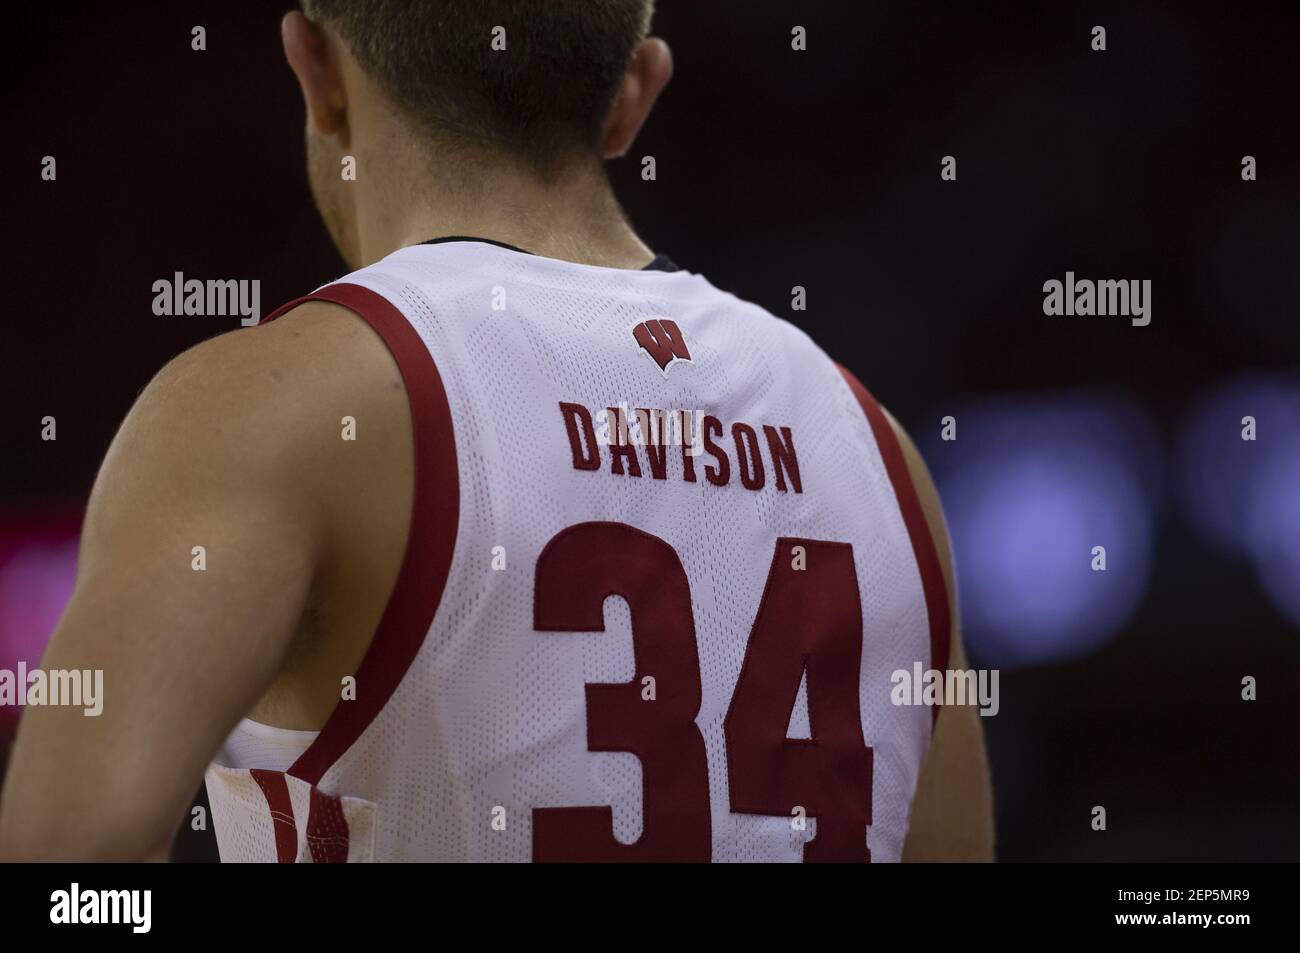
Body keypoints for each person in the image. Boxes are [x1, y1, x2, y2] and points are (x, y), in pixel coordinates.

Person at [0, 1, 991, 862]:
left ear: (317, 73)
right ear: (631, 97)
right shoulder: (875, 446)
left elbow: (74, 862)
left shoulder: (270, 403)